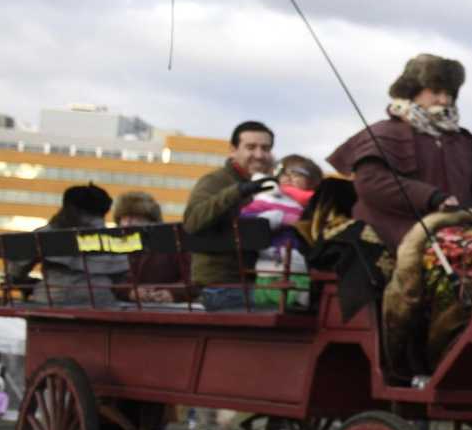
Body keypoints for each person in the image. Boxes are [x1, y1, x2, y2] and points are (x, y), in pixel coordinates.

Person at [327, 54, 472, 250]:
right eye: (435, 92)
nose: (443, 100)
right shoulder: (383, 132)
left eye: (449, 93)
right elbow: (371, 183)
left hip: (460, 231)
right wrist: (431, 197)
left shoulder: (462, 139)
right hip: (393, 234)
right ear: (413, 91)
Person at [183, 122, 277, 311]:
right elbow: (192, 221)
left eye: (265, 148)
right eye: (251, 147)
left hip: (256, 281)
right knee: (283, 305)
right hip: (222, 286)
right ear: (233, 150)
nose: (259, 155)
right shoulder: (215, 181)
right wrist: (238, 191)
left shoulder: (271, 185)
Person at [244, 154, 320, 310]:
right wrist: (270, 219)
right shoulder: (268, 198)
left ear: (312, 181)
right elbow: (245, 219)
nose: (290, 177)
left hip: (301, 260)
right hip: (273, 257)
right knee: (274, 289)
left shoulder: (312, 205)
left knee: (299, 287)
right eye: (284, 173)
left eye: (298, 173)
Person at [111, 191, 189, 304]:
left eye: (135, 217)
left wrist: (172, 293)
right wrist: (130, 292)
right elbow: (111, 280)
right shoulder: (115, 247)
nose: (127, 223)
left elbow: (192, 278)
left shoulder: (174, 244)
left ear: (151, 220)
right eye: (124, 218)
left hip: (168, 308)